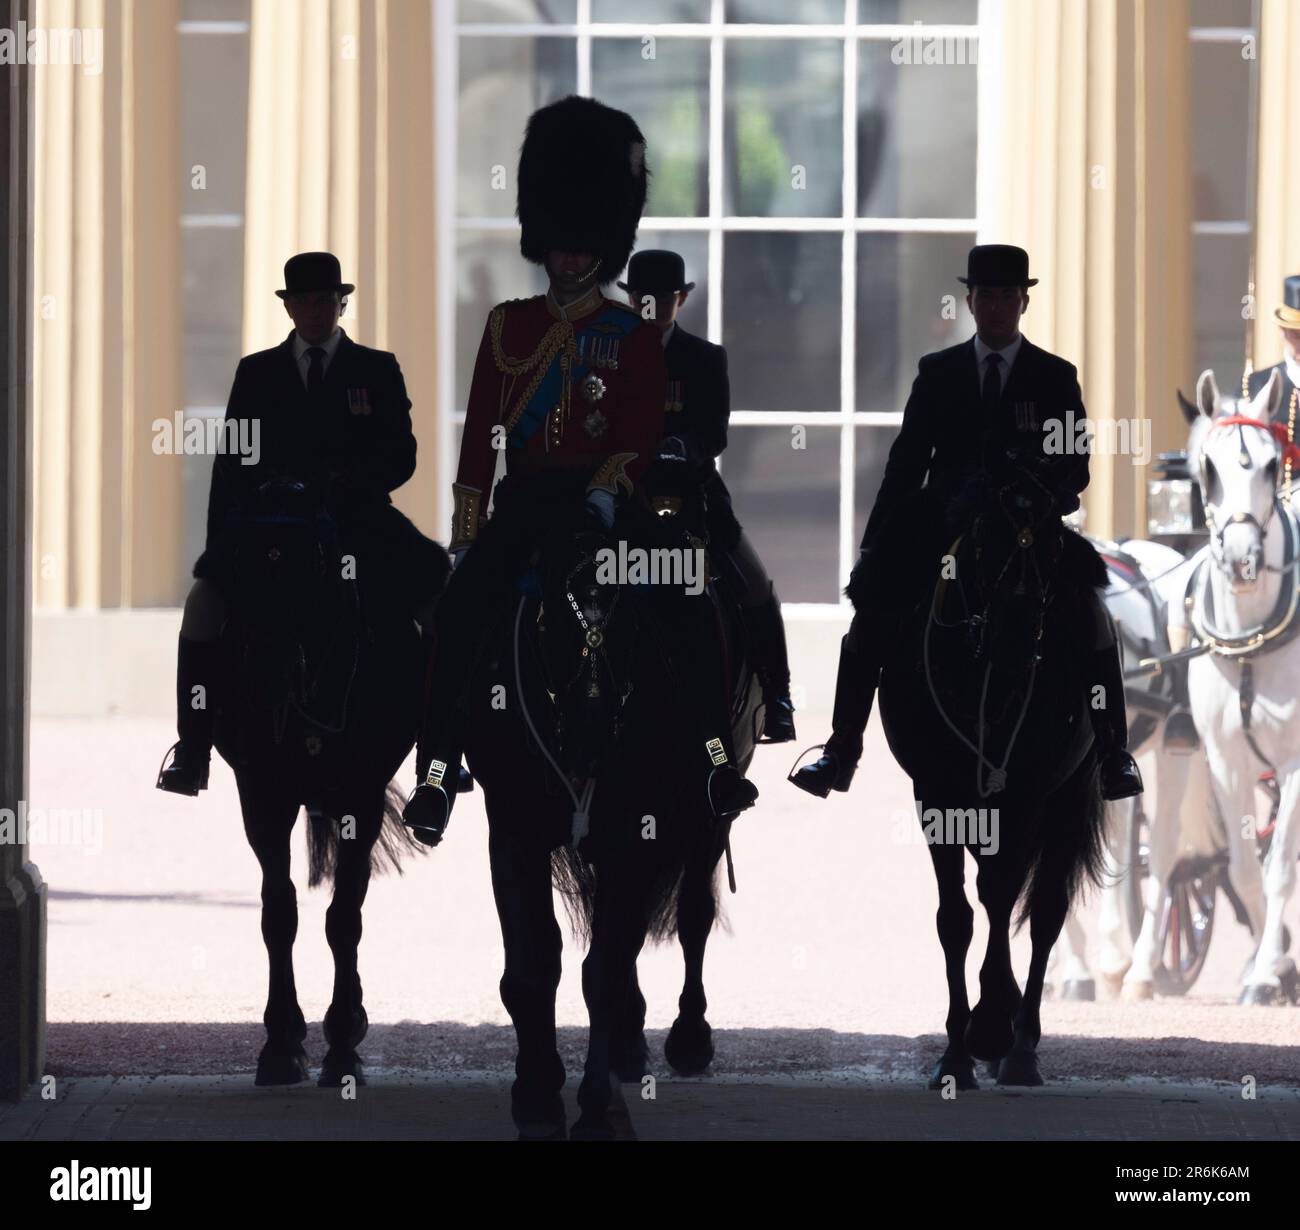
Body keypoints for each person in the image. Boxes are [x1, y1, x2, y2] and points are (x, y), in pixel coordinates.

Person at [401, 96, 759, 845]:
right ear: (543, 239)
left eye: (581, 243)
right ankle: (435, 775)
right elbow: (479, 443)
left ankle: (716, 757)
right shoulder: (509, 326)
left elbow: (638, 433)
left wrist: (604, 493)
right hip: (528, 505)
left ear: (604, 244)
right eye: (558, 242)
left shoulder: (630, 336)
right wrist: (467, 534)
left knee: (686, 597)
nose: (568, 255)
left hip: (609, 508)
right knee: (459, 613)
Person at [791, 244, 1144, 802]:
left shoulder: (1055, 376)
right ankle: (840, 749)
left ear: (1024, 302)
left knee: (1088, 615)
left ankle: (1112, 753)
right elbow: (906, 464)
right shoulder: (938, 372)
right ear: (970, 301)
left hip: (1027, 524)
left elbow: (1076, 467)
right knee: (873, 617)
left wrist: (1040, 493)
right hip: (943, 524)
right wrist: (875, 547)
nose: (998, 307)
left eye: (1009, 296)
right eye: (987, 296)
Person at [156, 251, 442, 795]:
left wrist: (351, 483)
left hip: (358, 522)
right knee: (202, 606)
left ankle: (438, 756)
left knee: (438, 602)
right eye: (304, 301)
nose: (316, 310)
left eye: (325, 300)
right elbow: (232, 460)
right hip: (272, 528)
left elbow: (402, 455)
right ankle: (192, 749)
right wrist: (223, 545)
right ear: (289, 308)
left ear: (342, 303)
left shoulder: (377, 369)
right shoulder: (256, 372)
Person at [618, 249, 796, 743]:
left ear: (683, 298)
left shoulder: (705, 358)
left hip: (690, 493)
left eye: (662, 299)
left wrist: (681, 448)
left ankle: (778, 696)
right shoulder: (605, 356)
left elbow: (714, 432)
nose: (650, 308)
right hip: (622, 496)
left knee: (754, 583)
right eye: (642, 299)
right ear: (630, 299)